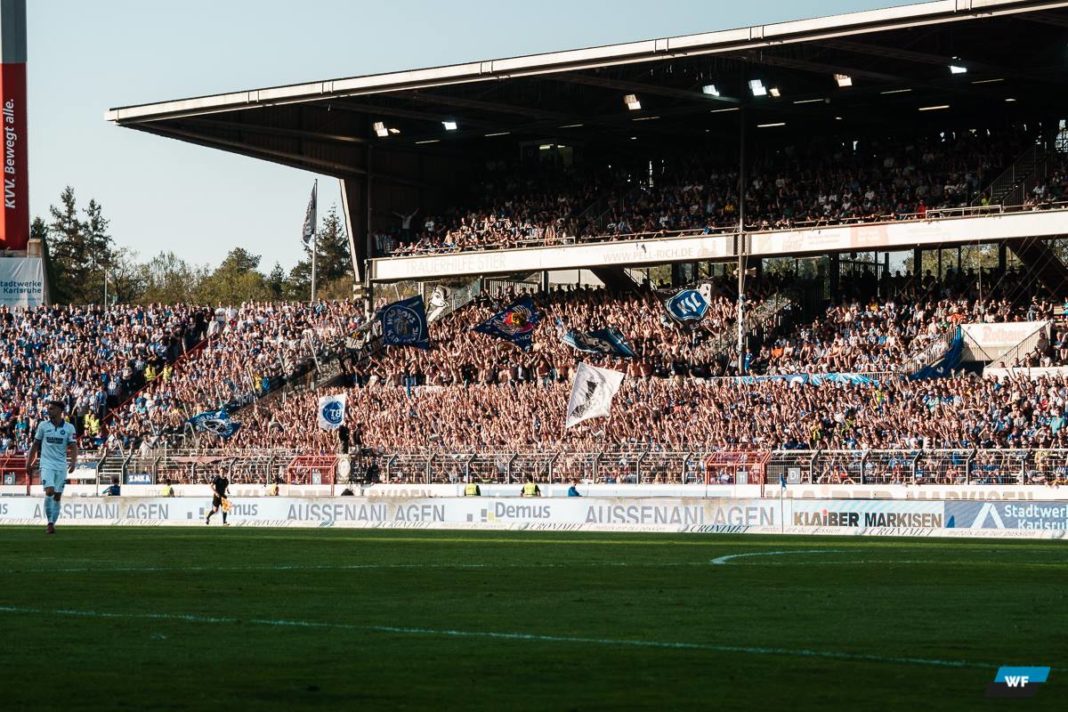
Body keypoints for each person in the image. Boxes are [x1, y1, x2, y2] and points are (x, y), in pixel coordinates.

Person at [26, 400, 78, 535]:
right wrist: (29, 462)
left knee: (57, 496)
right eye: (48, 409)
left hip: (61, 465)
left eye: (52, 409)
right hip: (46, 464)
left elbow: (73, 446)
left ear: (60, 411)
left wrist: (73, 462)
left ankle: (52, 523)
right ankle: (49, 523)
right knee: (49, 491)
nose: (48, 411)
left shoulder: (69, 428)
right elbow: (35, 445)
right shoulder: (43, 425)